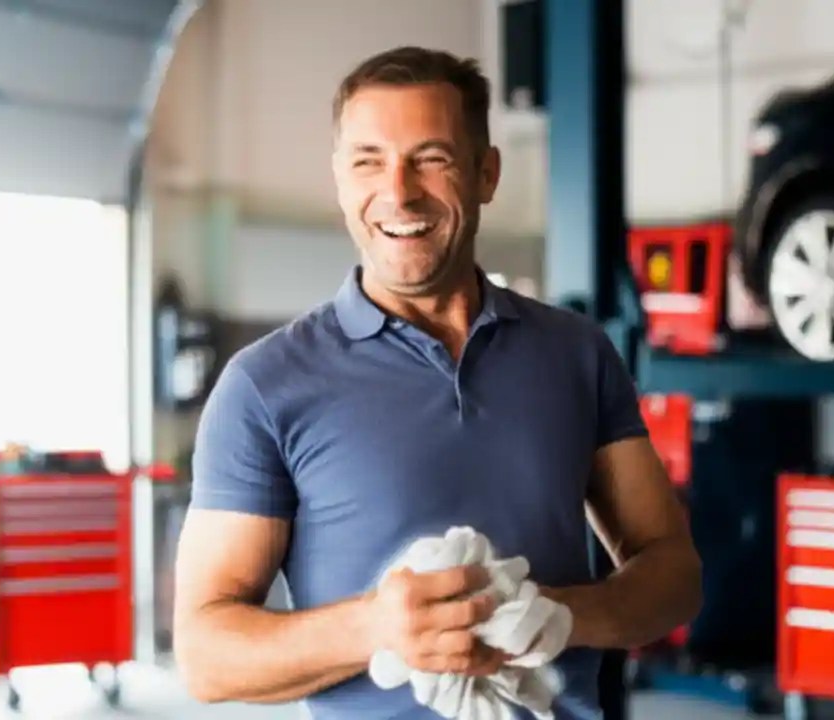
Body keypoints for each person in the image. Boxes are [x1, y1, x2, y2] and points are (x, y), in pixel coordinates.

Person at [172, 46, 702, 719]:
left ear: (485, 173)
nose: (399, 191)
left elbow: (674, 574)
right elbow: (204, 654)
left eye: (431, 158)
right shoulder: (265, 385)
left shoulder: (576, 353)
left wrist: (568, 615)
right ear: (339, 179)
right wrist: (377, 628)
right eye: (368, 160)